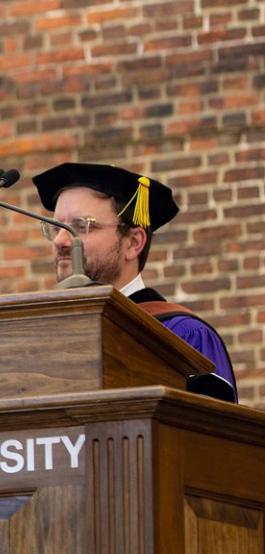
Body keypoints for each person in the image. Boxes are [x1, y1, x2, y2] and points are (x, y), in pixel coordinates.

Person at [33, 163, 237, 402]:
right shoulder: (47, 336)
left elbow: (207, 436)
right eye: (56, 227)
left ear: (133, 243)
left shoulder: (182, 335)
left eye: (81, 226)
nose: (60, 241)